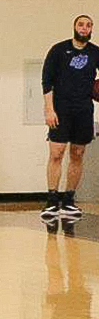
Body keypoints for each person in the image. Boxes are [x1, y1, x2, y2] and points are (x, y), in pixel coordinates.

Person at [41, 14, 96, 220]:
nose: (84, 28)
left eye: (88, 25)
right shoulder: (58, 50)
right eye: (81, 24)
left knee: (78, 153)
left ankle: (69, 199)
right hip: (61, 108)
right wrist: (49, 109)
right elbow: (47, 81)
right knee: (57, 153)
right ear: (74, 27)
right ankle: (52, 199)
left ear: (91, 30)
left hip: (83, 109)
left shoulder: (95, 52)